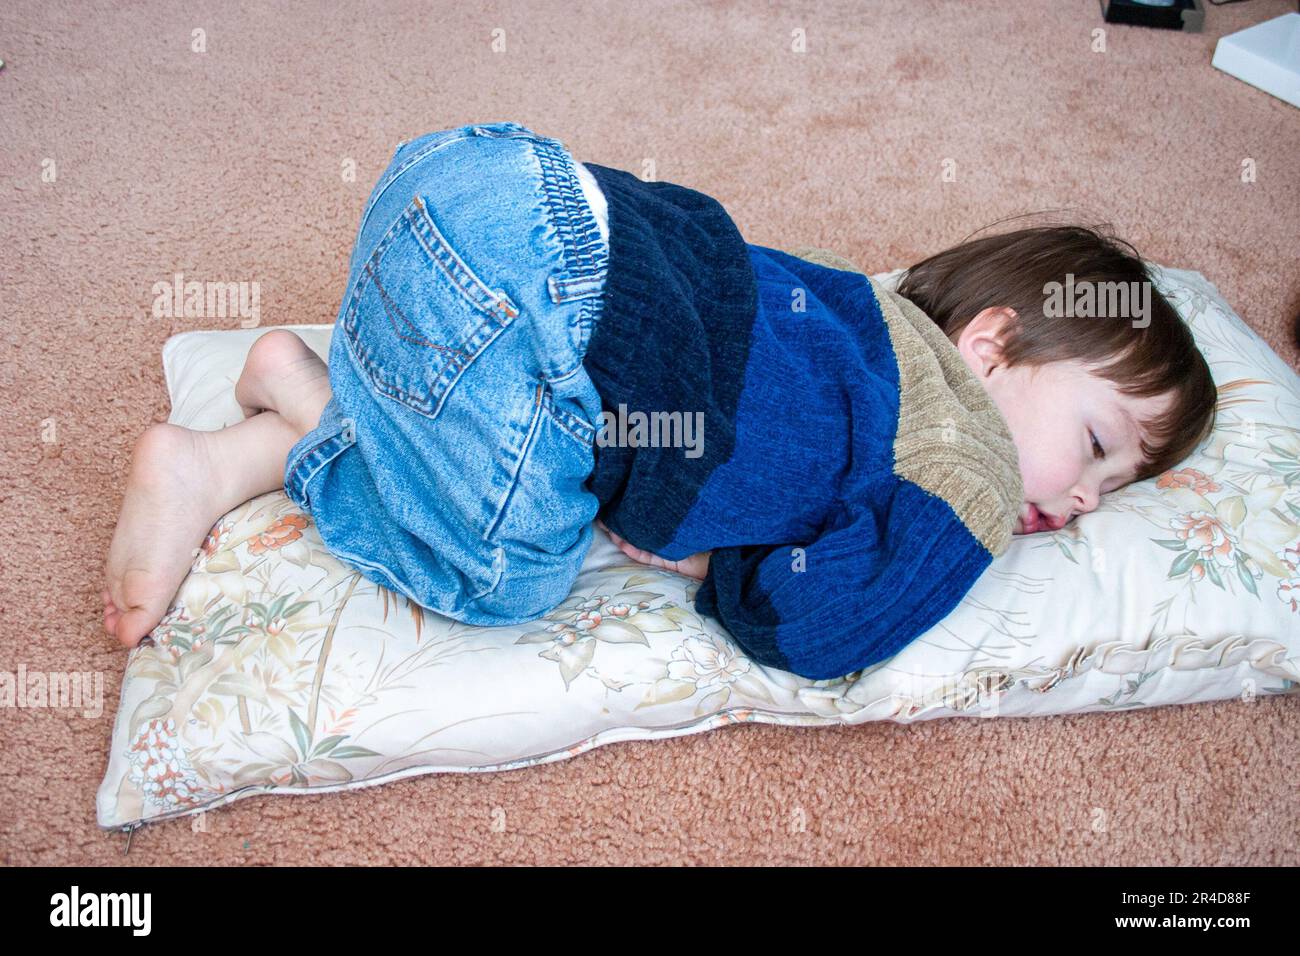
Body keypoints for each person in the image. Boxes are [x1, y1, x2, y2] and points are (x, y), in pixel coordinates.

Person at [103, 121, 1217, 682]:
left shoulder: (850, 302)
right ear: (989, 343)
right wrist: (718, 570)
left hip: (478, 181)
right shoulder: (965, 466)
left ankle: (252, 432)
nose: (1078, 497)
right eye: (1093, 444)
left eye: (1109, 491)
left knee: (535, 436)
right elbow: (830, 625)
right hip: (527, 302)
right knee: (514, 572)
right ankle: (303, 402)